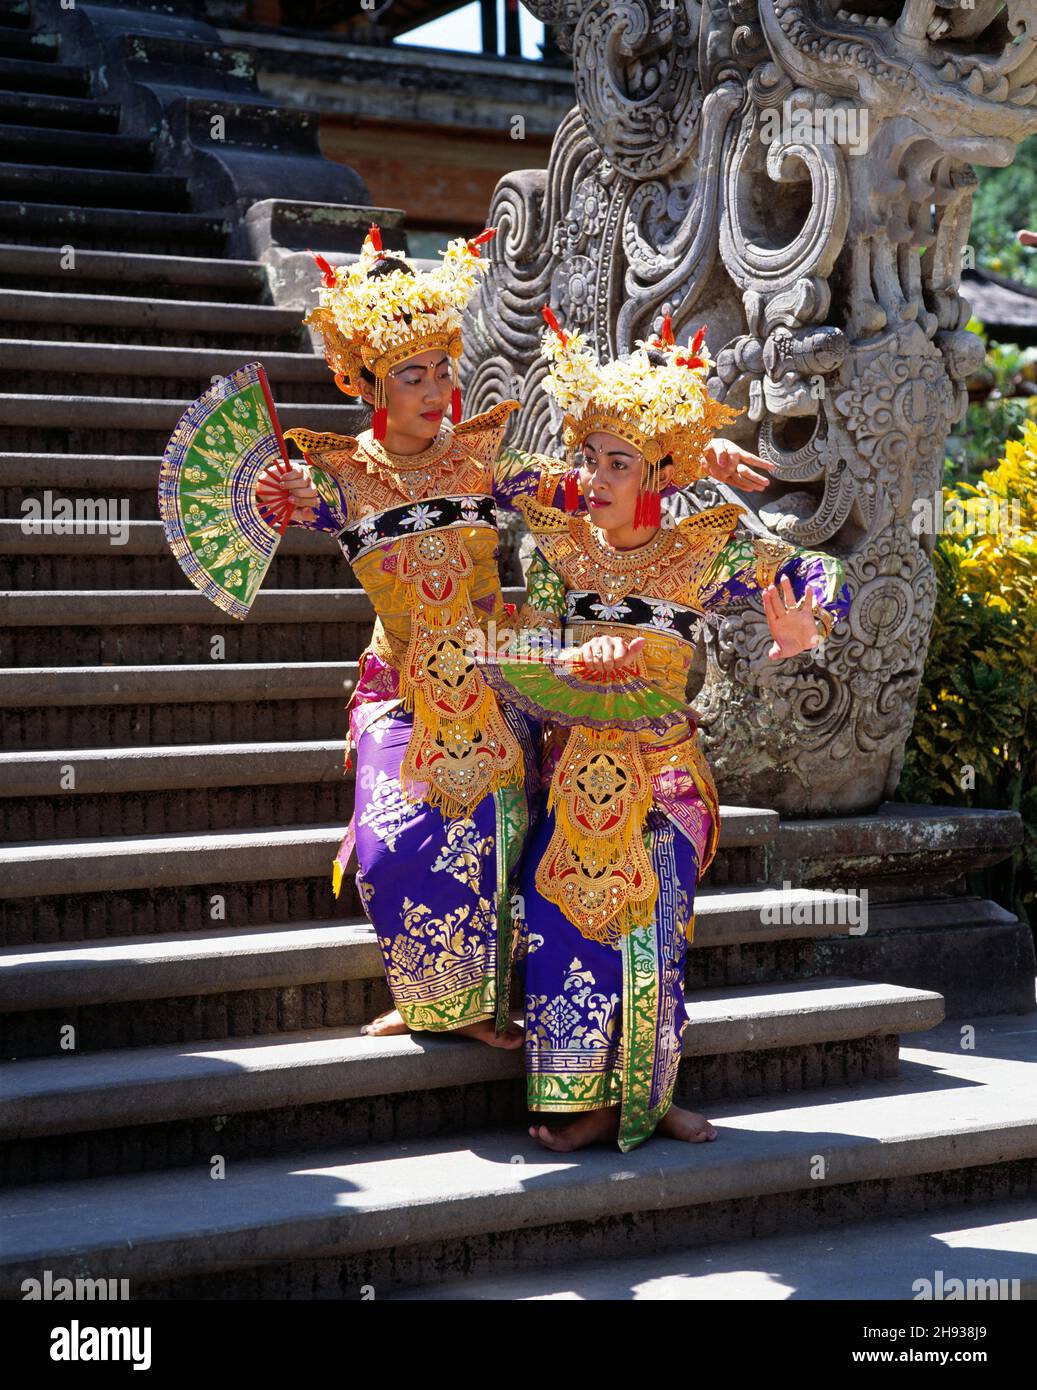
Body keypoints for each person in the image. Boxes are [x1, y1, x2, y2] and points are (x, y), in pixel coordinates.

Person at [260, 227, 778, 1047]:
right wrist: (273, 491)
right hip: (398, 683)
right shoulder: (334, 475)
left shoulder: (483, 461)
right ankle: (430, 997)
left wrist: (687, 453)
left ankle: (488, 1007)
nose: (436, 390)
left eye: (442, 369)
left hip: (498, 677)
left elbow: (591, 483)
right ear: (363, 381)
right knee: (390, 843)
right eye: (411, 376)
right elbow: (275, 508)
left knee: (495, 843)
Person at [504, 309, 851, 1151]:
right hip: (574, 768)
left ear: (657, 473)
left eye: (618, 462)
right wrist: (565, 664)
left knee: (655, 944)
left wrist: (811, 624)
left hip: (663, 776)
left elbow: (820, 567)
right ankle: (576, 1093)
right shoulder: (556, 546)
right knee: (560, 922)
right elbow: (516, 645)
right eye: (588, 457)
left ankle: (649, 1102)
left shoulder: (700, 552)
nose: (594, 476)